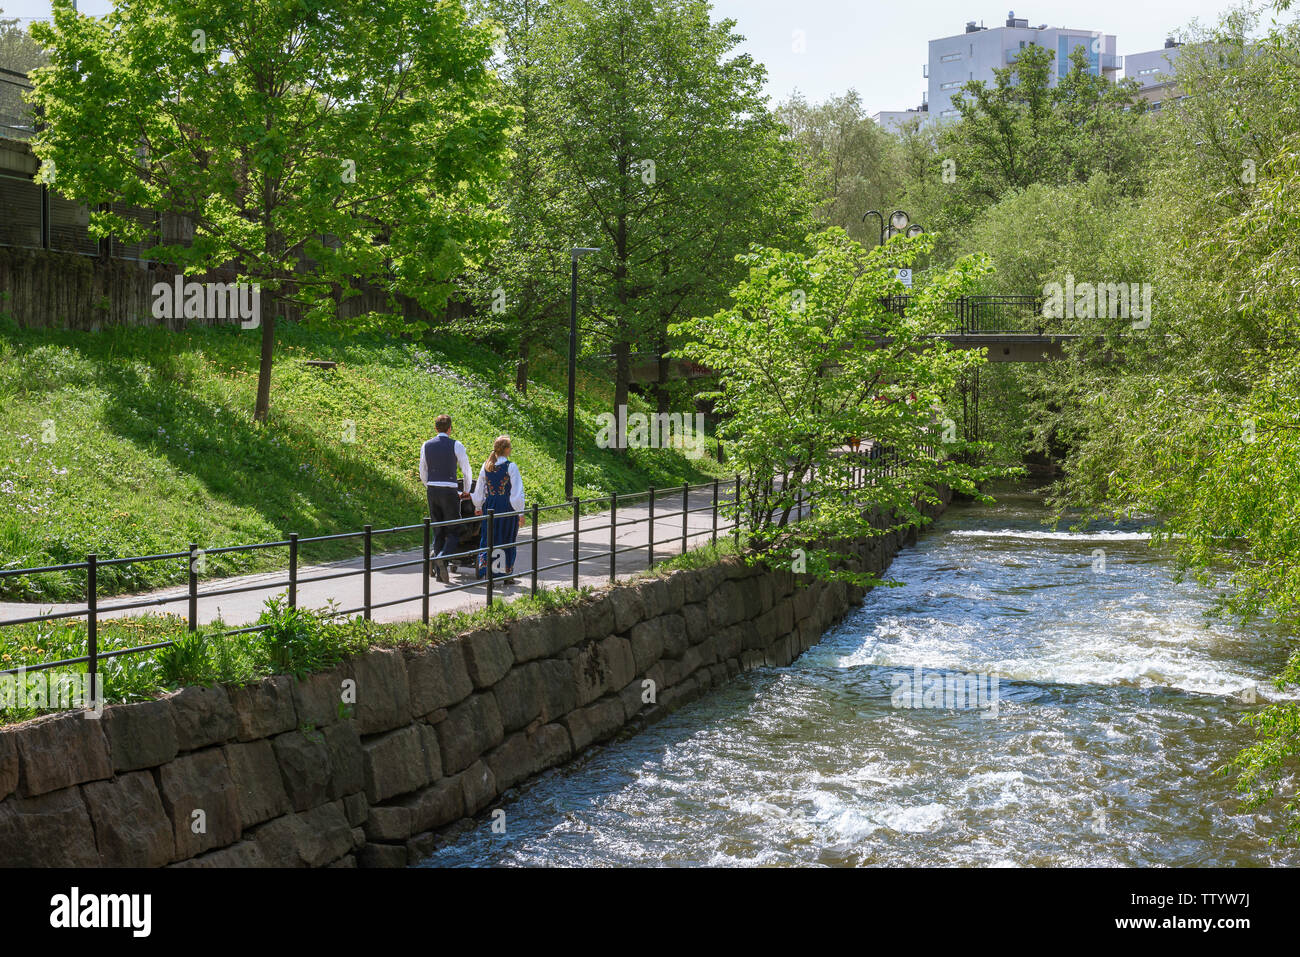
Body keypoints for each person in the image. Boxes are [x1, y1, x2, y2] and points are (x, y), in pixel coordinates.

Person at [418, 414, 473, 583]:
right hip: (449, 490)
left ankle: (439, 571)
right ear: (450, 429)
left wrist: (430, 485)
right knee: (454, 529)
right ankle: (442, 557)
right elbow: (466, 470)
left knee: (438, 529)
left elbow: (423, 471)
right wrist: (466, 489)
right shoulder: (456, 445)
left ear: (436, 429)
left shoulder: (426, 445)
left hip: (433, 490)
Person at [472, 435, 526, 580]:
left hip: (489, 505)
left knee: (489, 536)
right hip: (506, 505)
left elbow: (480, 489)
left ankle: (487, 570)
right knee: (506, 537)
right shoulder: (511, 467)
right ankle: (504, 572)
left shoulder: (486, 466)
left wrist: (478, 505)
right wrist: (520, 512)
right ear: (507, 449)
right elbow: (516, 492)